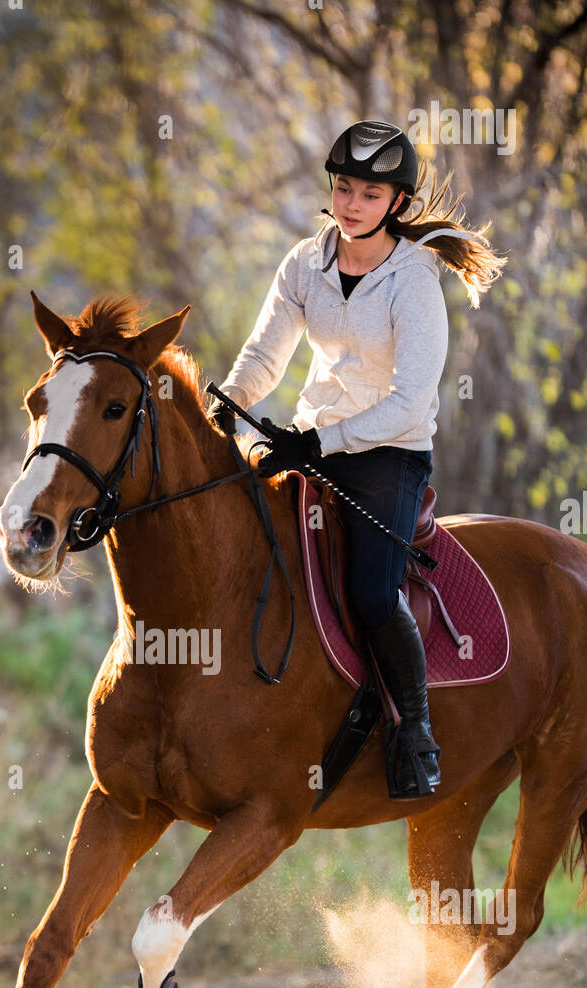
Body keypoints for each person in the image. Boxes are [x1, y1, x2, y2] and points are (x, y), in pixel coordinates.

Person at [210, 119, 506, 799]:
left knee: (373, 591)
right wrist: (227, 401)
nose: (350, 204)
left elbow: (408, 404)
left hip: (387, 457)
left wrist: (317, 444)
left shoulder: (413, 281)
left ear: (395, 204)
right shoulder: (302, 264)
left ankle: (415, 736)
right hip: (309, 443)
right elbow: (262, 358)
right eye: (343, 187)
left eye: (368, 194)